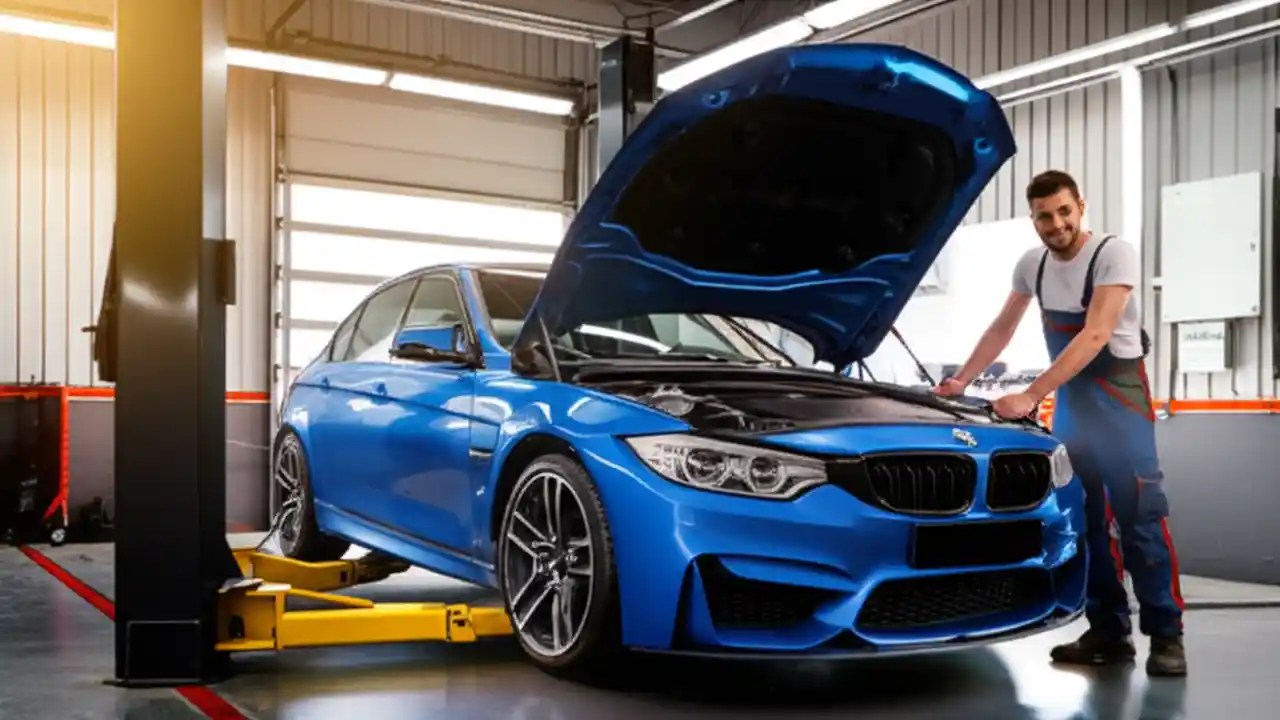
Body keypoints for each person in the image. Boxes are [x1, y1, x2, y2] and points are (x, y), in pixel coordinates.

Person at [933, 170, 1187, 677]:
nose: (1056, 224)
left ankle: (1166, 636)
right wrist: (961, 380)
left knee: (1140, 518)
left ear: (1080, 207)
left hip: (1121, 403)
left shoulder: (1113, 254)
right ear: (1033, 219)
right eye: (1044, 216)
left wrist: (1031, 394)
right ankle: (1108, 633)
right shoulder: (1033, 265)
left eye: (1064, 211)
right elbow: (1002, 327)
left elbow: (1094, 335)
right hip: (1072, 404)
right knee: (1084, 521)